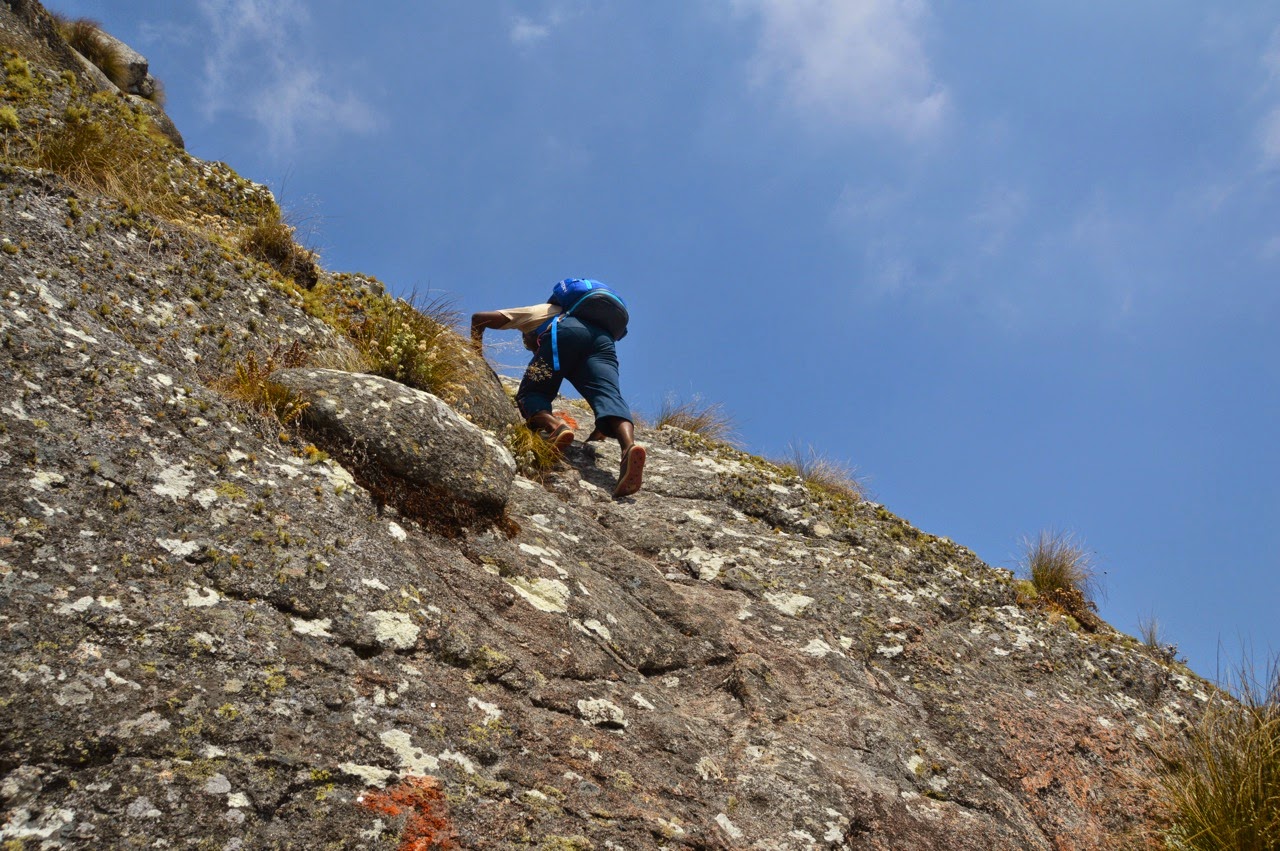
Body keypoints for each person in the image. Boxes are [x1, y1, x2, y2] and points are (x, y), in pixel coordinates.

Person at [470, 293, 645, 498]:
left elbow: (478, 318)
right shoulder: (590, 318)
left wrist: (475, 354)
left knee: (532, 392)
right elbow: (604, 402)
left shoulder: (542, 311)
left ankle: (555, 427)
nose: (532, 350)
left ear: (527, 336)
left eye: (530, 344)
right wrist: (598, 432)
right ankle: (628, 448)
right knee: (609, 397)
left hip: (567, 331)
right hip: (604, 342)